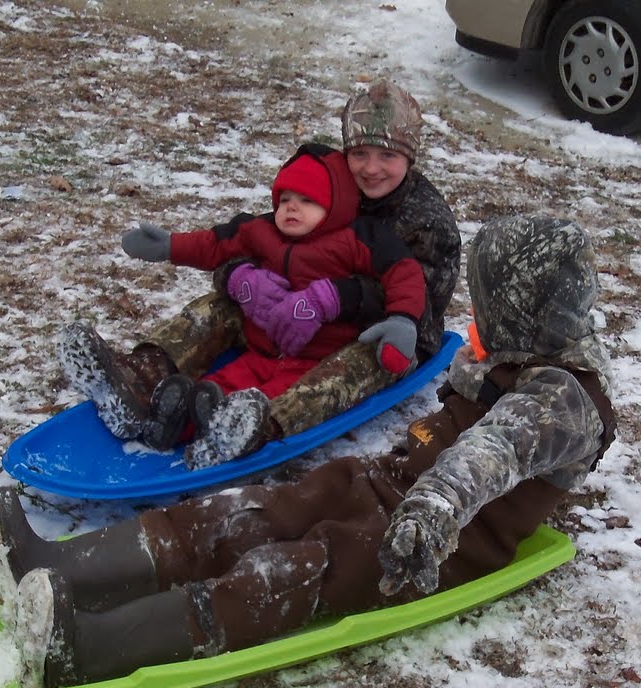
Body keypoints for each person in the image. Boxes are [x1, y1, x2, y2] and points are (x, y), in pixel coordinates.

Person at [0, 215, 615, 688]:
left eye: (490, 298)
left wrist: (434, 508)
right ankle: (59, 565)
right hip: (382, 482)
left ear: (527, 308)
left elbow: (490, 452)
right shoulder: (512, 353)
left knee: (290, 568)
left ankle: (87, 650)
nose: (479, 310)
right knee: (250, 512)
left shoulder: (566, 399)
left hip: (434, 543)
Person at [60, 78, 462, 468]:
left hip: (389, 335)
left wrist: (334, 298)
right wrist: (243, 278)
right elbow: (258, 239)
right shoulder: (332, 182)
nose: (372, 168)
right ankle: (140, 382)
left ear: (409, 157)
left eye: (387, 156)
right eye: (360, 154)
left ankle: (259, 424)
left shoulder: (426, 221)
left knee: (361, 357)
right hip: (293, 316)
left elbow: (420, 303)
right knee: (223, 305)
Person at [89, 142, 428, 465]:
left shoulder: (358, 239)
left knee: (275, 400)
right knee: (217, 388)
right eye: (285, 198)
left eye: (307, 200)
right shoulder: (262, 230)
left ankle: (241, 435)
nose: (291, 207)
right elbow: (215, 244)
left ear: (336, 205)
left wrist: (403, 318)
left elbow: (403, 273)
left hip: (314, 359)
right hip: (260, 351)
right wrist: (170, 246)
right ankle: (173, 422)